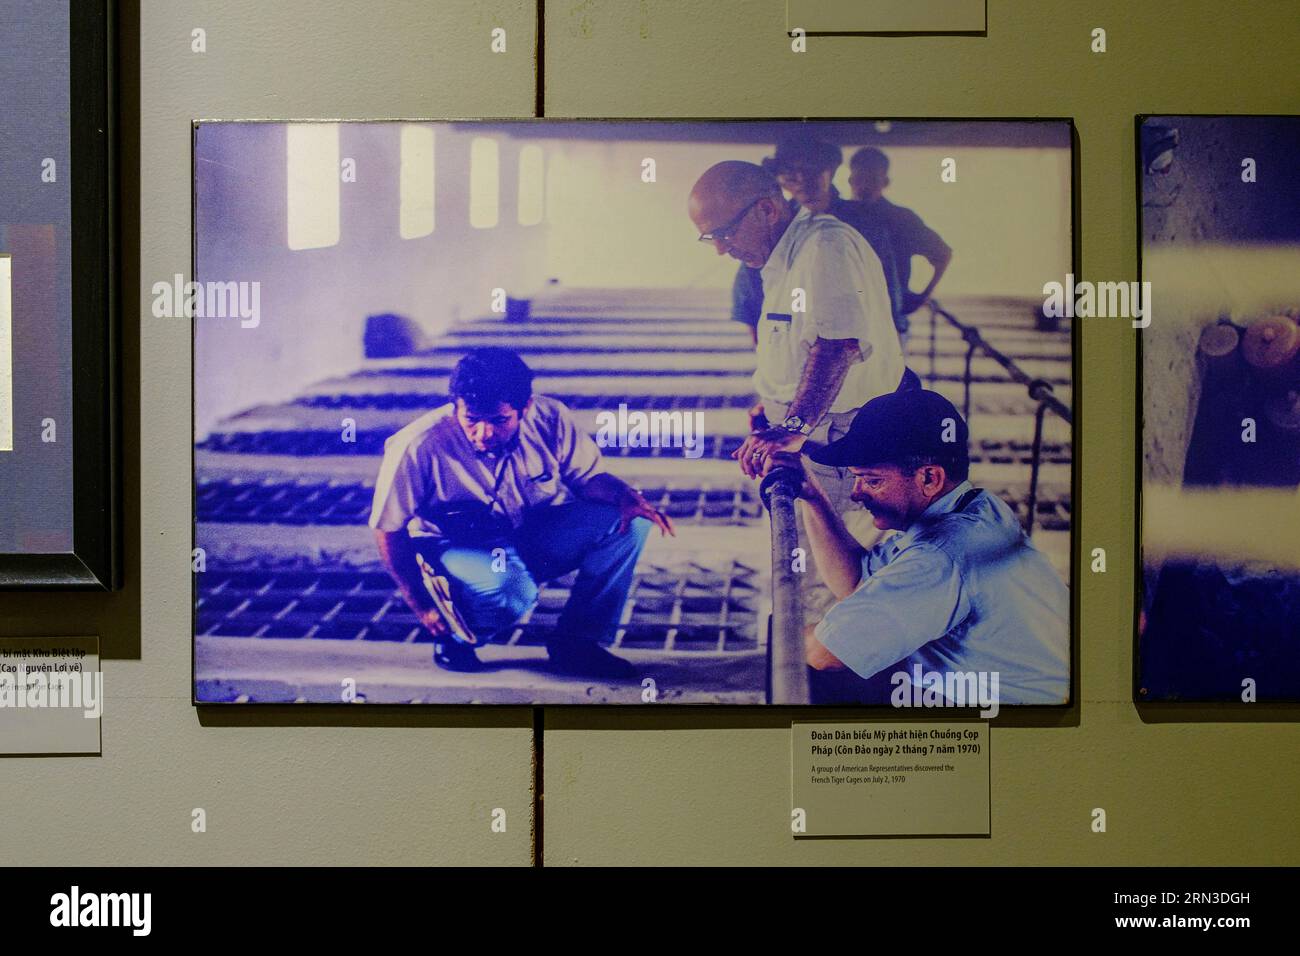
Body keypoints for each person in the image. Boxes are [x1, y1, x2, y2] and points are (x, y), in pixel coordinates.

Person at [688, 160, 909, 624]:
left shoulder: (823, 246)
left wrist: (791, 424)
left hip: (840, 438)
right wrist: (772, 404)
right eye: (710, 239)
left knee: (822, 579)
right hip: (818, 430)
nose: (721, 251)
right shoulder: (786, 254)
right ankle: (809, 665)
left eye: (723, 234)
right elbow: (802, 343)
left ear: (766, 210)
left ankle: (812, 683)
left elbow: (838, 342)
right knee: (806, 566)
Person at [369, 348, 675, 678]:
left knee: (626, 523)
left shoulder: (550, 417)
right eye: (471, 420)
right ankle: (457, 634)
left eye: (500, 421)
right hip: (455, 548)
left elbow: (587, 479)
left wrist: (623, 494)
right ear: (456, 406)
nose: (483, 435)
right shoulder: (417, 445)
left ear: (525, 407)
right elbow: (388, 528)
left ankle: (576, 644)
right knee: (513, 593)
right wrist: (423, 607)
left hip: (526, 532)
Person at [771, 388, 1069, 705]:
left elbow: (824, 654)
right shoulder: (976, 508)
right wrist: (813, 496)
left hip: (1017, 719)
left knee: (806, 676)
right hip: (1034, 687)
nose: (857, 494)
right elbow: (858, 581)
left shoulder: (940, 556)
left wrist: (782, 641)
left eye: (872, 481)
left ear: (929, 478)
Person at [729, 137, 903, 346]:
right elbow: (750, 296)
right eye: (792, 175)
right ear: (781, 180)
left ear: (831, 169)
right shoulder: (771, 228)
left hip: (864, 346)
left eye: (812, 171)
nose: (803, 182)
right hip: (793, 347)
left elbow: (887, 291)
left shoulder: (867, 224)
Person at [848, 146, 954, 349]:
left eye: (872, 179)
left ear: (885, 182)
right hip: (847, 323)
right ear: (850, 180)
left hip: (890, 323)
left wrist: (922, 297)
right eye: (859, 179)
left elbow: (943, 254)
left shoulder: (901, 219)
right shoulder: (838, 216)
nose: (864, 186)